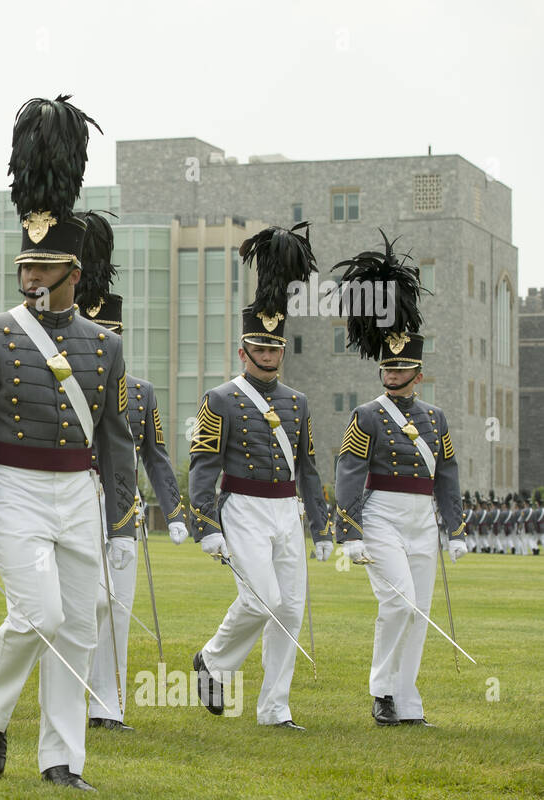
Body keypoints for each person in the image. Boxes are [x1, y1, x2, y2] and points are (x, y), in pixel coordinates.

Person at [0, 95, 137, 791]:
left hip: (77, 490)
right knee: (39, 613)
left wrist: (122, 517)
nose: (30, 279)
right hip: (14, 488)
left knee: (77, 627)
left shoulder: (104, 348)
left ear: (73, 274)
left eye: (43, 270)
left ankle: (61, 760)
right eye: (25, 268)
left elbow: (116, 441)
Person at [188, 222, 331, 730]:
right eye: (259, 351)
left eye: (274, 351)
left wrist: (321, 525)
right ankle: (214, 661)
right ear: (243, 352)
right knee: (262, 598)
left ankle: (275, 709)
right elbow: (203, 465)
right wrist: (205, 524)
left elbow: (309, 468)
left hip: (285, 510)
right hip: (243, 508)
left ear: (282, 351)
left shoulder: (299, 403)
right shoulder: (221, 399)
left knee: (290, 610)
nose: (268, 359)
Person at [333, 232, 467, 727]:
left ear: (420, 373)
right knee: (399, 602)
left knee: (420, 612)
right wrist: (348, 531)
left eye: (403, 368)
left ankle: (407, 702)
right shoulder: (366, 414)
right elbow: (348, 471)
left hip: (423, 520)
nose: (393, 375)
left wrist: (454, 528)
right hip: (382, 515)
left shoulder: (436, 418)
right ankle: (380, 690)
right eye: (388, 367)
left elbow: (447, 475)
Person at [73, 214, 188, 732]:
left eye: (110, 336)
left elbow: (157, 455)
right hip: (73, 495)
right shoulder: (59, 383)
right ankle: (70, 691)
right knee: (87, 601)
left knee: (118, 607)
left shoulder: (140, 393)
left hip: (121, 501)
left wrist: (176, 509)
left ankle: (107, 706)